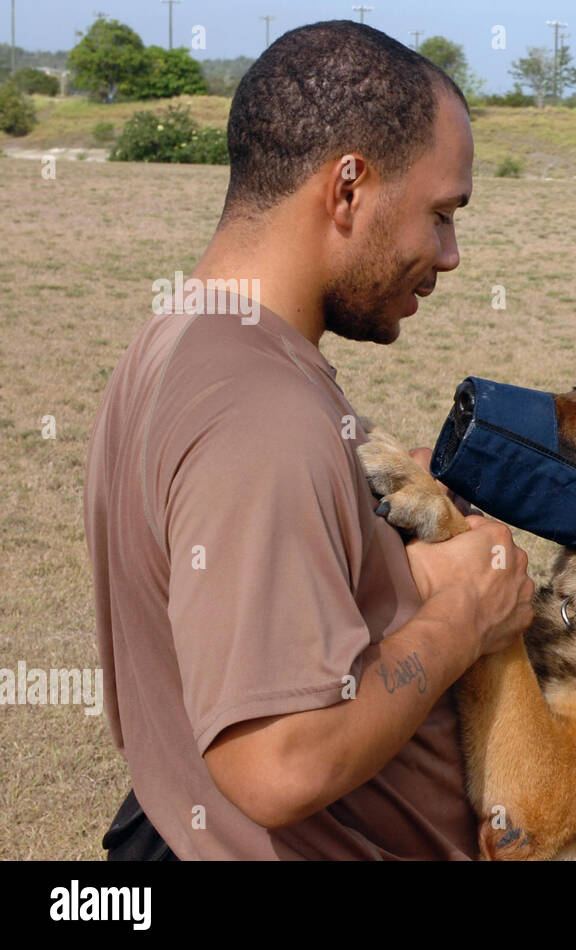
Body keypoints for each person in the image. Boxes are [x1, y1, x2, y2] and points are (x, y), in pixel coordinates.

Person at [85, 21, 534, 859]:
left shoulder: (187, 342)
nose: (451, 254)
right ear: (349, 189)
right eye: (439, 214)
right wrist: (466, 616)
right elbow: (278, 764)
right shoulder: (258, 412)